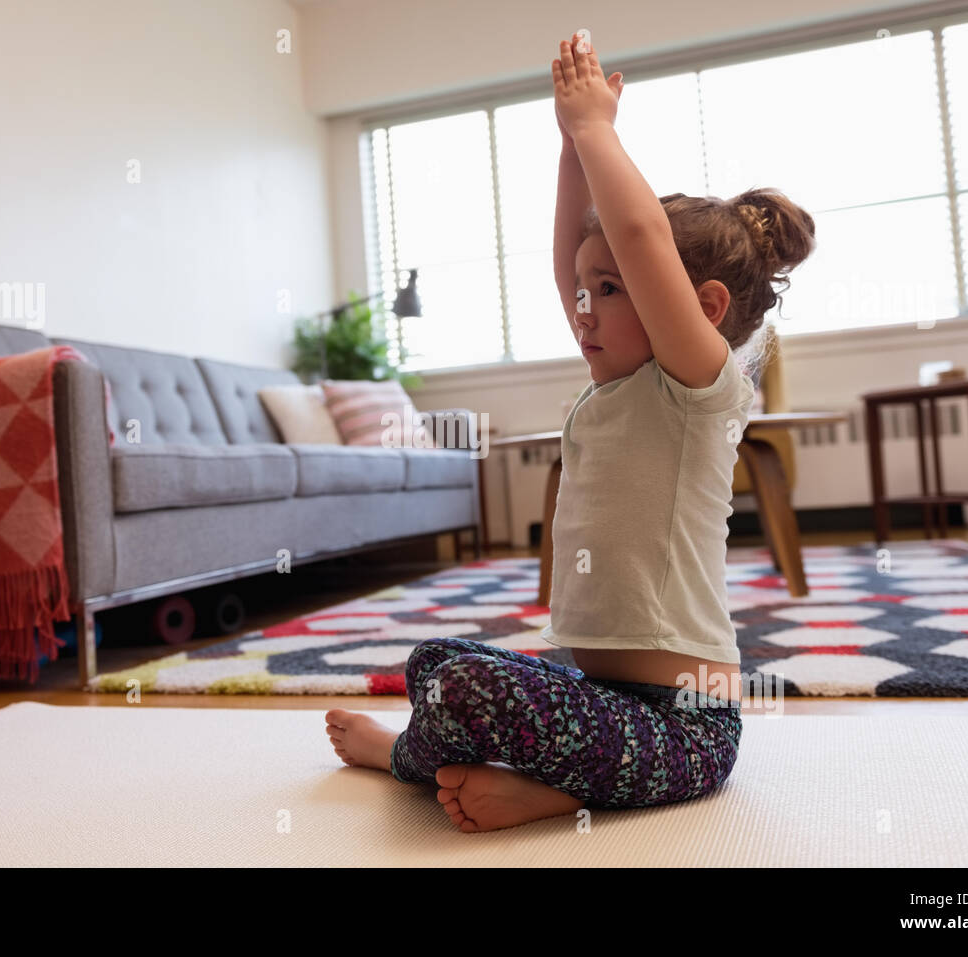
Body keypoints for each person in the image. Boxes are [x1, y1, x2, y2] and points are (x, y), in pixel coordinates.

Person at [324, 32, 815, 832]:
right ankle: (556, 780)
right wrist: (567, 150)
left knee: (469, 694)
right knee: (439, 667)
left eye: (609, 290)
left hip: (687, 725)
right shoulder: (608, 385)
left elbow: (643, 241)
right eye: (583, 293)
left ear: (707, 309)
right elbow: (573, 260)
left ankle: (443, 766)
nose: (582, 308)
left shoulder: (700, 388)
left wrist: (597, 131)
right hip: (592, 697)